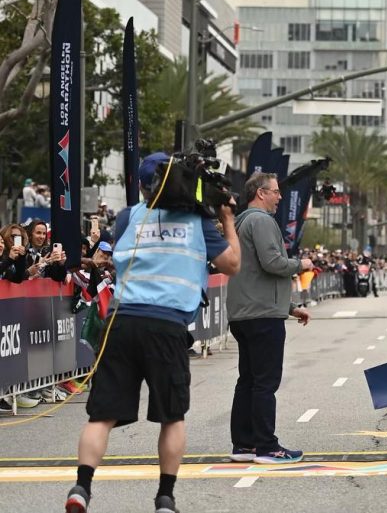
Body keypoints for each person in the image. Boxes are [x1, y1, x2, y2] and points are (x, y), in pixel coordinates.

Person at [65, 152, 240, 513]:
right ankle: (165, 497)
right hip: (167, 325)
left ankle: (81, 488)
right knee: (171, 416)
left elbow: (119, 256)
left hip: (122, 321)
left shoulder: (130, 216)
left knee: (101, 416)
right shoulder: (198, 221)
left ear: (143, 186)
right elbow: (232, 264)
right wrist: (226, 218)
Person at [226, 170, 314, 466]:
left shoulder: (239, 222)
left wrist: (289, 308)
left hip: (245, 312)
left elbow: (254, 275)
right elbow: (272, 263)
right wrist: (301, 264)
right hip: (262, 316)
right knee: (265, 382)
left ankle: (244, 444)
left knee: (248, 381)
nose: (279, 197)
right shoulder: (262, 221)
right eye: (275, 191)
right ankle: (267, 446)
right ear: (260, 193)